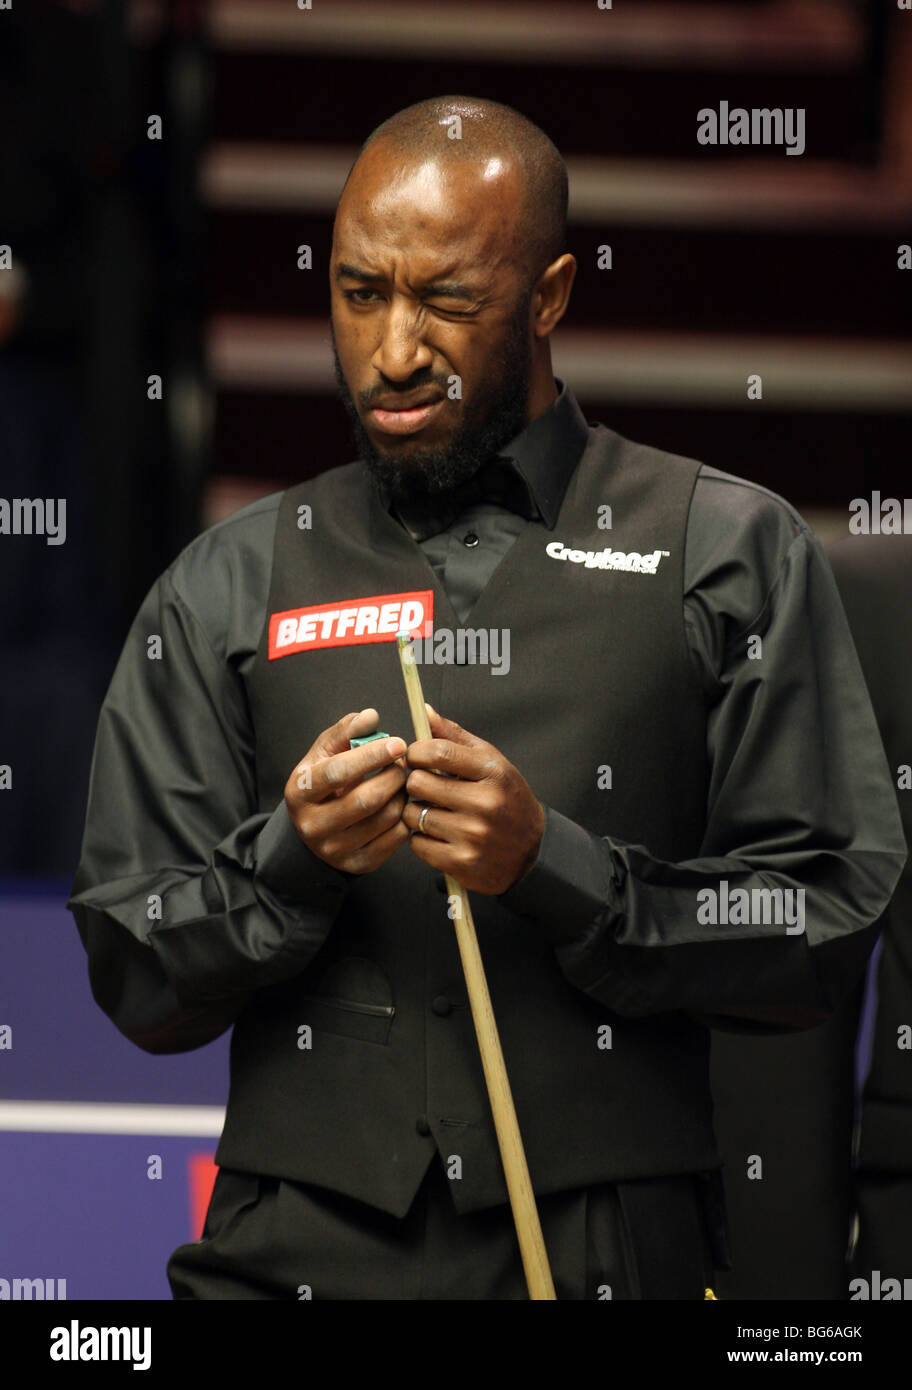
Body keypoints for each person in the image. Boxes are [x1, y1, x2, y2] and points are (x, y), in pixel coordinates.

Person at [69, 96, 906, 1300]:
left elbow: (824, 923)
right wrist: (290, 862)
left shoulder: (724, 550)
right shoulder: (229, 579)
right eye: (359, 294)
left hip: (603, 1258)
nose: (394, 351)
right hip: (287, 1259)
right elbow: (130, 959)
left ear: (551, 296)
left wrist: (562, 874)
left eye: (447, 301)